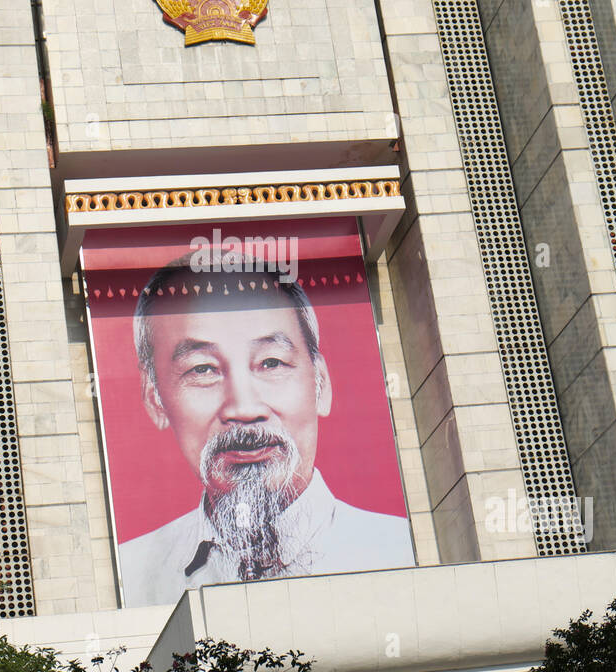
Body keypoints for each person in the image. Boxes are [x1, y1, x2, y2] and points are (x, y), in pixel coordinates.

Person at [117, 251, 415, 606]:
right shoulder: (131, 575)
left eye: (271, 363)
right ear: (155, 400)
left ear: (321, 384)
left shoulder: (401, 554)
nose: (243, 408)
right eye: (202, 370)